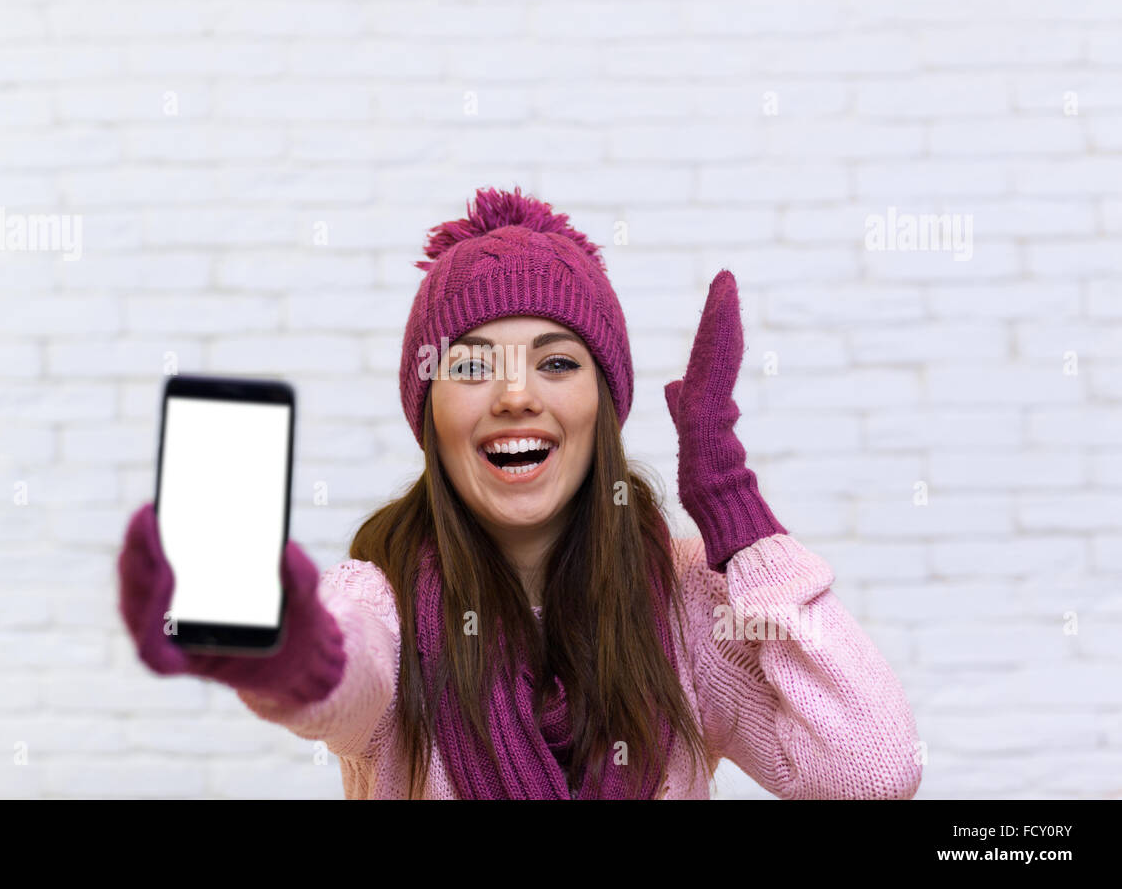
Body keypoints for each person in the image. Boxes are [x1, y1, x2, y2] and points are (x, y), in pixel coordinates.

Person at [116, 185, 923, 800]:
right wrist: (284, 643)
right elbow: (344, 678)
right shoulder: (382, 598)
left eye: (557, 362)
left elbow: (873, 773)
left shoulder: (683, 604)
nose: (514, 396)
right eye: (470, 366)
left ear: (602, 408)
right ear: (428, 413)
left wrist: (728, 500)